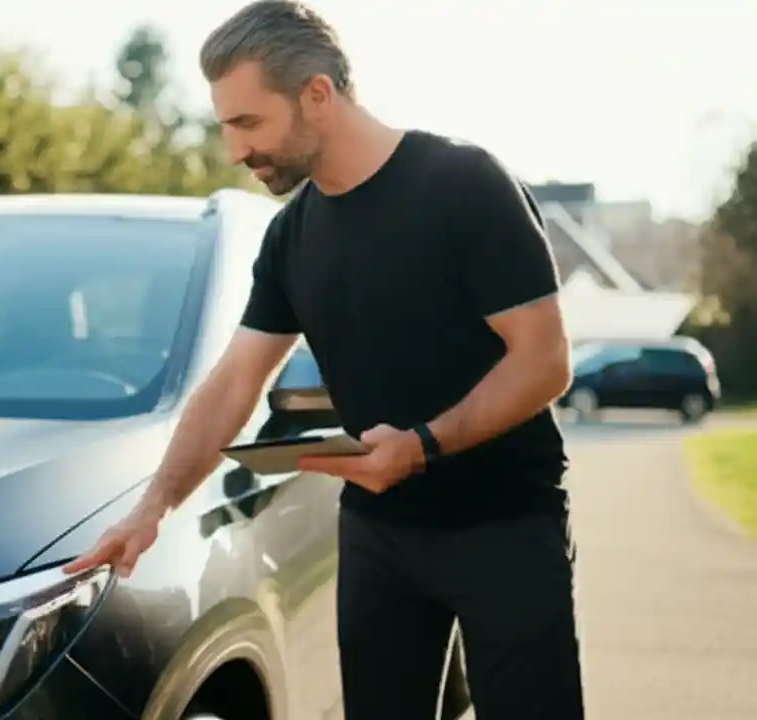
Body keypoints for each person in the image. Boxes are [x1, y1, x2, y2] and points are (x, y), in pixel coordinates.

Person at [64, 1, 585, 718]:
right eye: (226, 127)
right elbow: (235, 382)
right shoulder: (291, 236)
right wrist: (152, 508)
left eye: (249, 123)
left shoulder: (464, 185)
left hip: (506, 525)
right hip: (378, 532)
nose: (236, 151)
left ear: (317, 94)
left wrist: (423, 446)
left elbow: (545, 362)